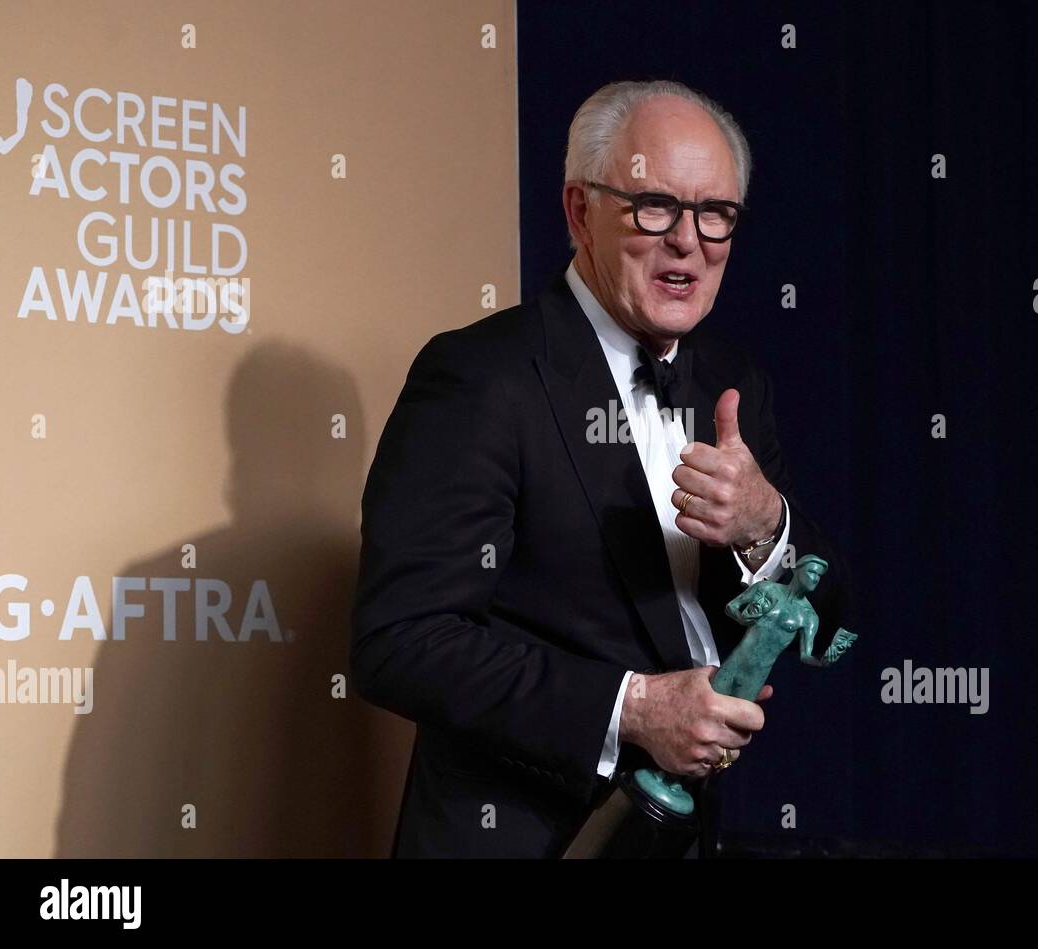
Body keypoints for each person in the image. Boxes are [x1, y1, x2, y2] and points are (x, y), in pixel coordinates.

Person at [350, 79, 854, 858]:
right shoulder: (481, 375)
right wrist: (634, 707)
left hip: (674, 837)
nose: (687, 240)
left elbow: (836, 612)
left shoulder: (733, 380)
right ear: (579, 212)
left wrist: (766, 524)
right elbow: (400, 641)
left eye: (714, 214)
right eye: (654, 205)